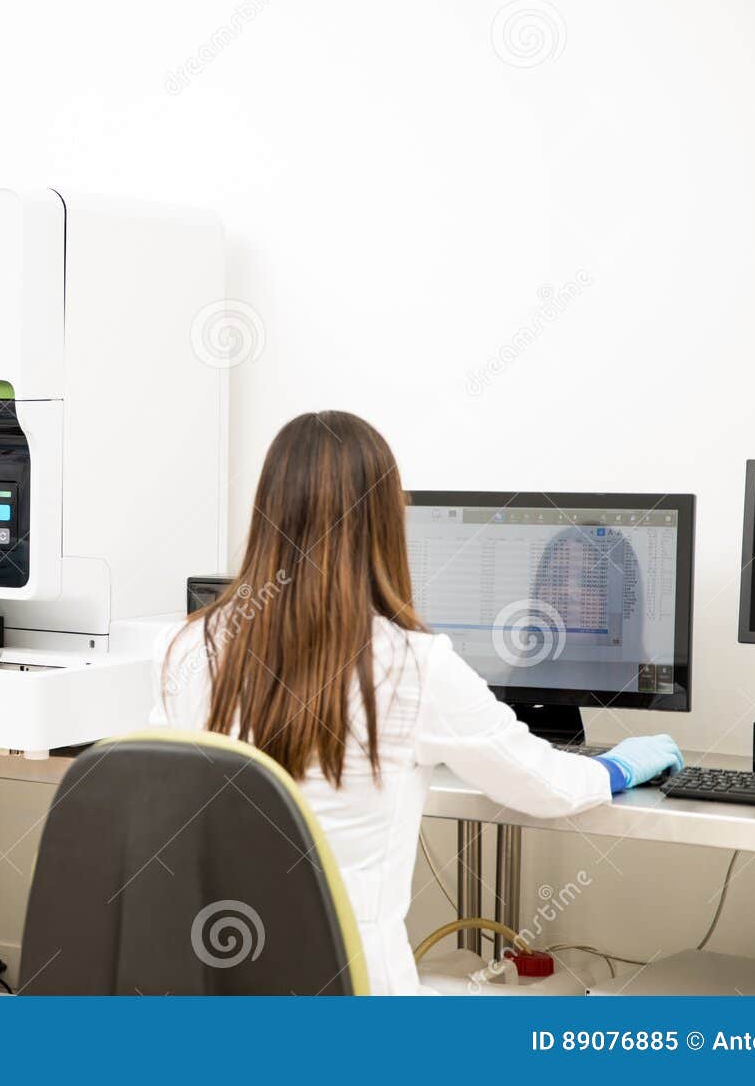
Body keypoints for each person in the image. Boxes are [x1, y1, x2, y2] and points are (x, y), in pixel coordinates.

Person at [154, 410, 682, 995]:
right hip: (355, 998)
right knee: (563, 992)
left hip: (218, 990)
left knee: (461, 971)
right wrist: (618, 766)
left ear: (268, 512)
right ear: (384, 522)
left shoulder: (189, 648)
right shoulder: (412, 663)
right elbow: (542, 784)